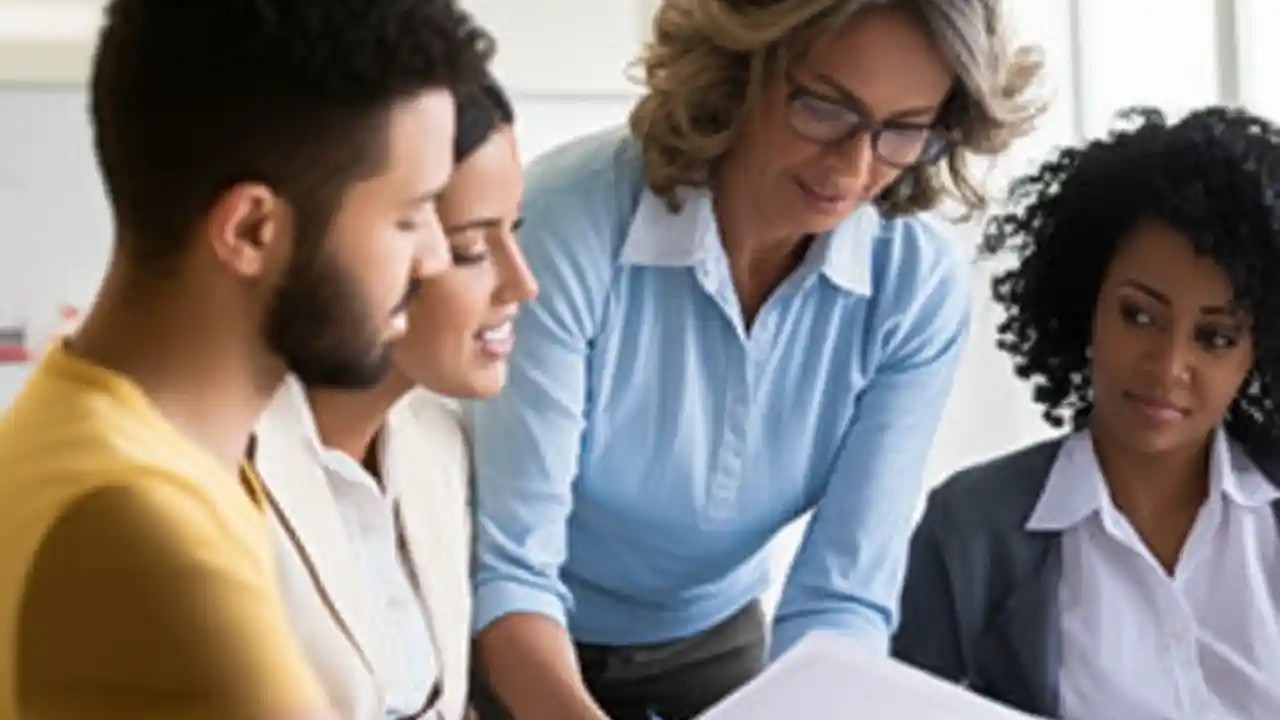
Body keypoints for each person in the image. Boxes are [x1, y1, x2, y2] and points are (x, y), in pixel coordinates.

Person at [465, 1, 1044, 718]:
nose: (856, 167)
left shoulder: (913, 288)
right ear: (739, 72)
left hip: (707, 638)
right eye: (826, 108)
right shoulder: (565, 222)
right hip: (502, 637)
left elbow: (841, 597)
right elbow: (512, 568)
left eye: (903, 129)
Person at [0, 1, 490, 718]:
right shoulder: (143, 534)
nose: (436, 257)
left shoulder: (93, 434)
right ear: (253, 229)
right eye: (410, 216)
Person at [893, 107, 1280, 720]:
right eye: (1139, 316)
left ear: (1258, 354)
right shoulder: (970, 531)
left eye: (1215, 338)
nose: (1168, 366)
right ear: (1085, 306)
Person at [253, 79, 536, 720]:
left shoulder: (440, 441)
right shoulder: (215, 471)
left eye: (515, 232)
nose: (523, 283)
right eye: (471, 249)